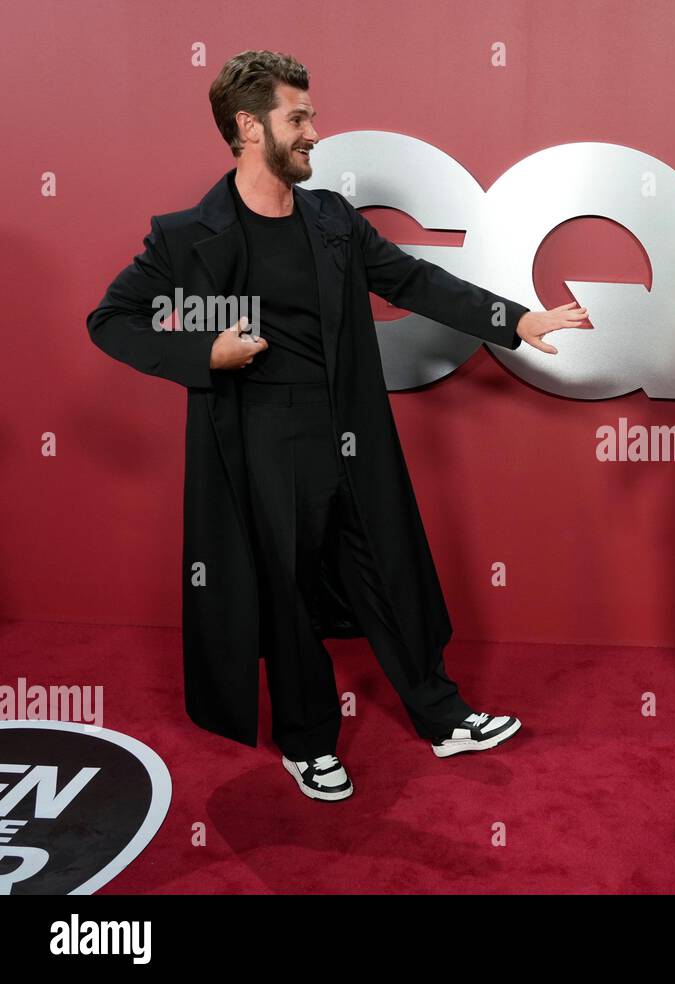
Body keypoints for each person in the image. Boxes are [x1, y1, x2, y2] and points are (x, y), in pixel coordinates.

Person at [86, 50, 589, 801]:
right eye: (299, 117)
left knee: (387, 567)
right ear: (250, 128)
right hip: (258, 437)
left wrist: (514, 318)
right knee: (284, 592)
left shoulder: (332, 220)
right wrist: (204, 350)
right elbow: (110, 320)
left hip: (350, 427)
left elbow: (412, 280)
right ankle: (308, 739)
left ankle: (442, 715)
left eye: (312, 115)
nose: (315, 131)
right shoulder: (188, 233)